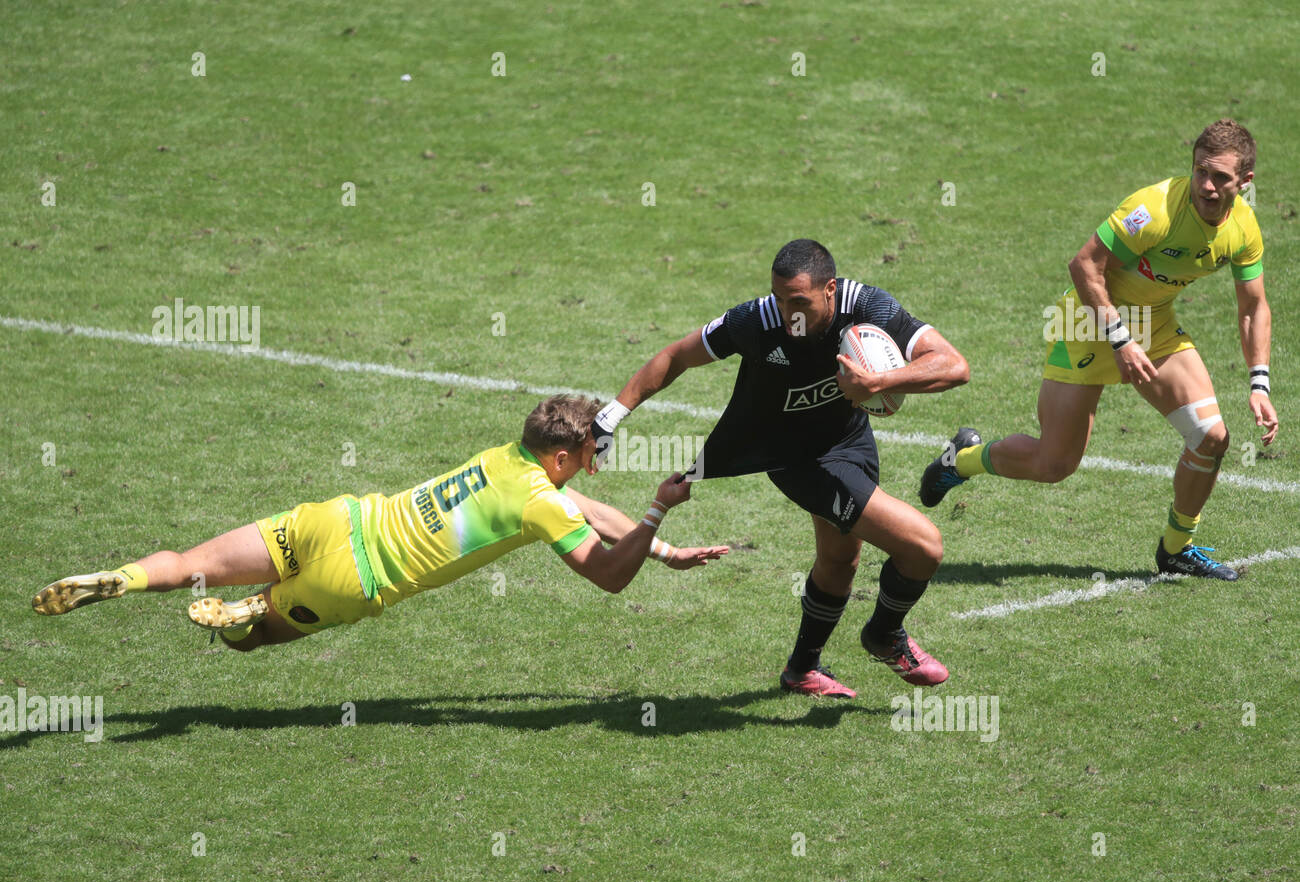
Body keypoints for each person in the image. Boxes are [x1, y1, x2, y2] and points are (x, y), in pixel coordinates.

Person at [32, 395, 728, 649]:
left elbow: (583, 508)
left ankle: (124, 577)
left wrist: (660, 550)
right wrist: (658, 508)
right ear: (558, 454)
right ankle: (254, 613)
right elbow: (607, 576)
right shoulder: (541, 501)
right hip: (351, 579)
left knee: (188, 561)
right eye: (583, 455)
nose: (590, 463)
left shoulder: (507, 459)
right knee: (248, 643)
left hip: (333, 519)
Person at [593, 239, 970, 699]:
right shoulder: (755, 321)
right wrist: (611, 416)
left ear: (830, 289)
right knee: (924, 547)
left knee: (840, 560)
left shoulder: (869, 306)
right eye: (779, 298)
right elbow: (676, 356)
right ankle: (885, 635)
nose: (788, 313)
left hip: (849, 440)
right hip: (792, 457)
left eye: (800, 302)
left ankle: (801, 671)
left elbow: (954, 366)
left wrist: (880, 381)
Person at [921, 119, 1277, 580]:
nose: (1207, 186)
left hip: (1154, 325)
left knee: (1211, 438)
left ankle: (1176, 547)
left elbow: (1253, 307)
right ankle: (962, 459)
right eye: (1200, 171)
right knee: (1054, 465)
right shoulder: (1153, 211)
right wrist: (1120, 339)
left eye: (1221, 178)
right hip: (1090, 324)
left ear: (1245, 183)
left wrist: (1259, 381)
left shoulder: (1243, 228)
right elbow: (1085, 265)